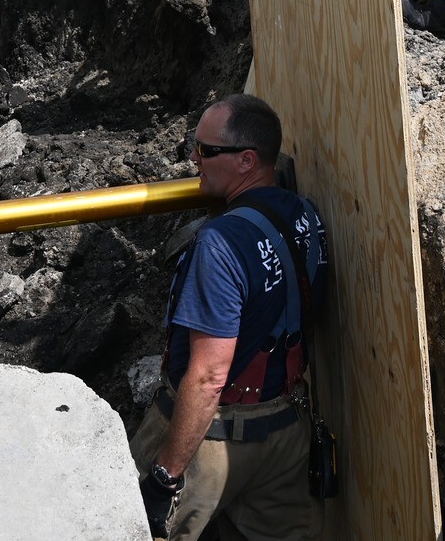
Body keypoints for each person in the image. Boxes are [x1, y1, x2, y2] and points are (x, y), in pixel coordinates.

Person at [134, 95, 327, 541]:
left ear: (246, 161)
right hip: (284, 437)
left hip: (212, 443)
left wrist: (166, 476)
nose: (193, 158)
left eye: (205, 150)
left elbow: (208, 378)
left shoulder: (219, 245)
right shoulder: (307, 216)